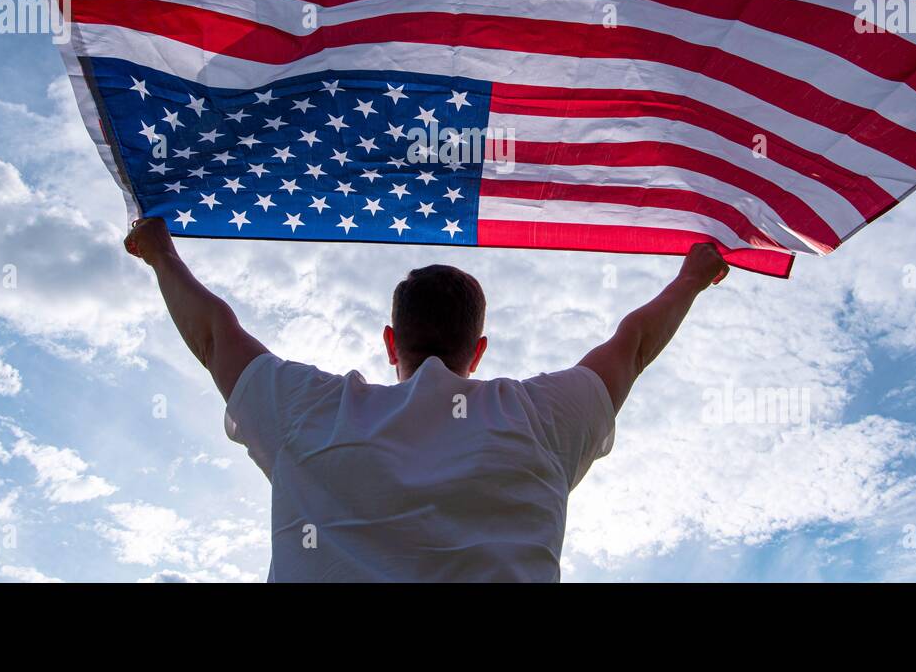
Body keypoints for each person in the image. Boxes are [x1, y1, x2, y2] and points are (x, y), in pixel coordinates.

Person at [124, 216, 729, 581]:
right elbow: (634, 344)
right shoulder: (540, 420)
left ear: (391, 341)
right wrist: (691, 277)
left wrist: (161, 253)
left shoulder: (310, 411)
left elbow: (214, 335)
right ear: (479, 348)